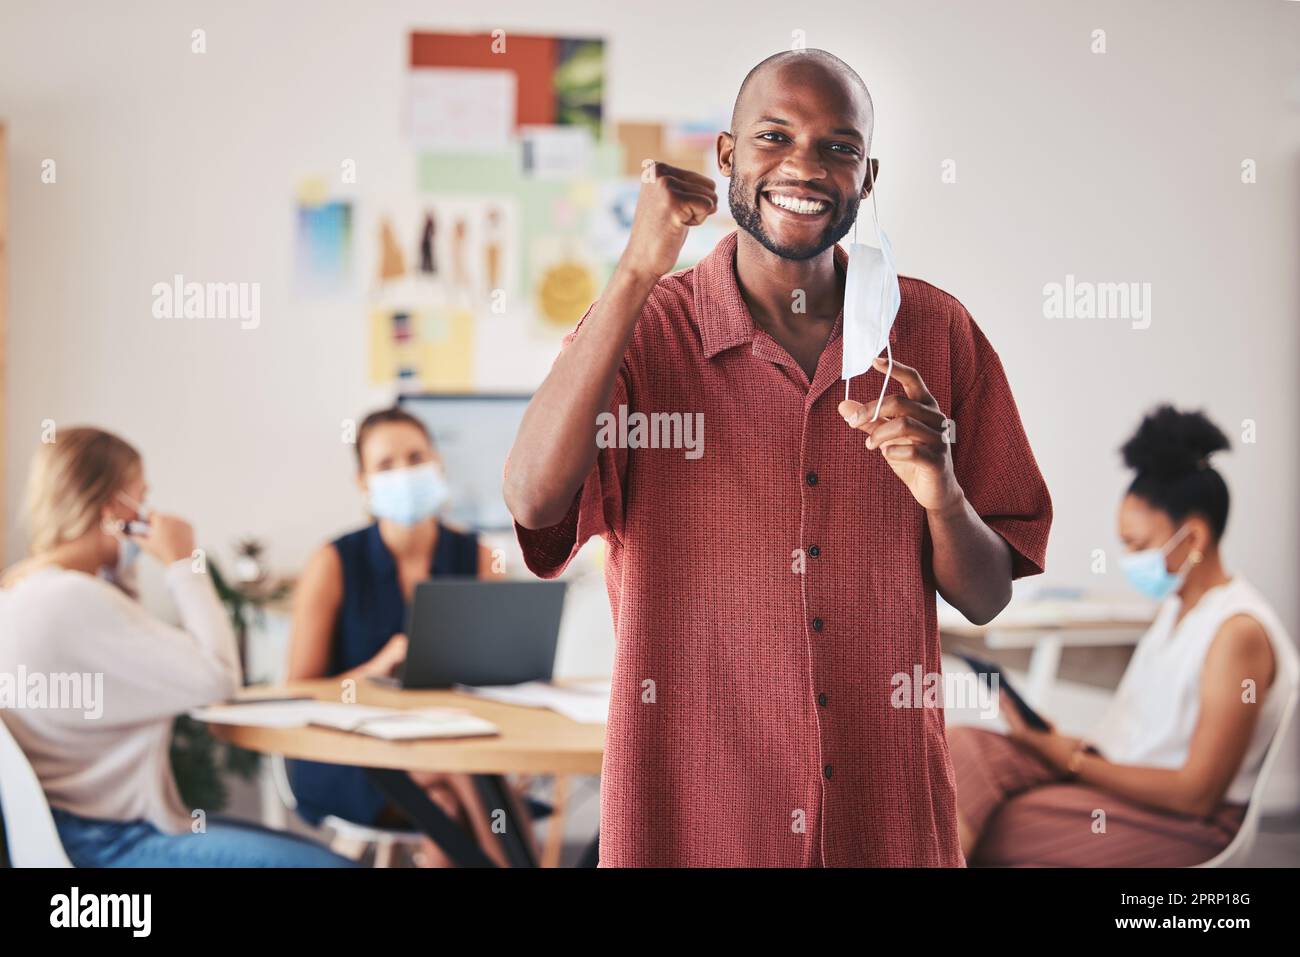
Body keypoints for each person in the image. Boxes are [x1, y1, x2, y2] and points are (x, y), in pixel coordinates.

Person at [502, 49, 1052, 866]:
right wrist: (635, 271)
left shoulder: (937, 333)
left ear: (867, 178)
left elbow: (986, 596)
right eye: (774, 136)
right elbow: (533, 498)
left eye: (839, 147)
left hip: (885, 816)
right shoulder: (648, 328)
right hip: (692, 817)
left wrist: (941, 495)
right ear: (726, 157)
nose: (805, 166)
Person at [948, 406, 1299, 866]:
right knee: (961, 748)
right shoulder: (1177, 611)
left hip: (1184, 824)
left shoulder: (1238, 632)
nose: (1130, 560)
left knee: (996, 818)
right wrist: (1059, 745)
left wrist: (1070, 761)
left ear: (1192, 539)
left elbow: (1196, 795)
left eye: (1138, 546)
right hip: (1119, 780)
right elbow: (1146, 738)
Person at [0, 427, 353, 867]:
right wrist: (183, 561)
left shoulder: (23, 588)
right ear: (114, 509)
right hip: (109, 845)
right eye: (140, 497)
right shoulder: (73, 600)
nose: (149, 512)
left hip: (71, 834)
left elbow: (135, 657)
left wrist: (119, 565)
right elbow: (218, 678)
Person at [285, 406, 534, 867]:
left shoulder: (476, 556)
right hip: (350, 751)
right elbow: (299, 691)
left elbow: (508, 665)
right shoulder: (333, 563)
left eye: (416, 456)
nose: (405, 472)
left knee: (445, 800)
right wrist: (374, 670)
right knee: (464, 770)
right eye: (385, 465)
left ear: (437, 462)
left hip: (448, 740)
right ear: (363, 483)